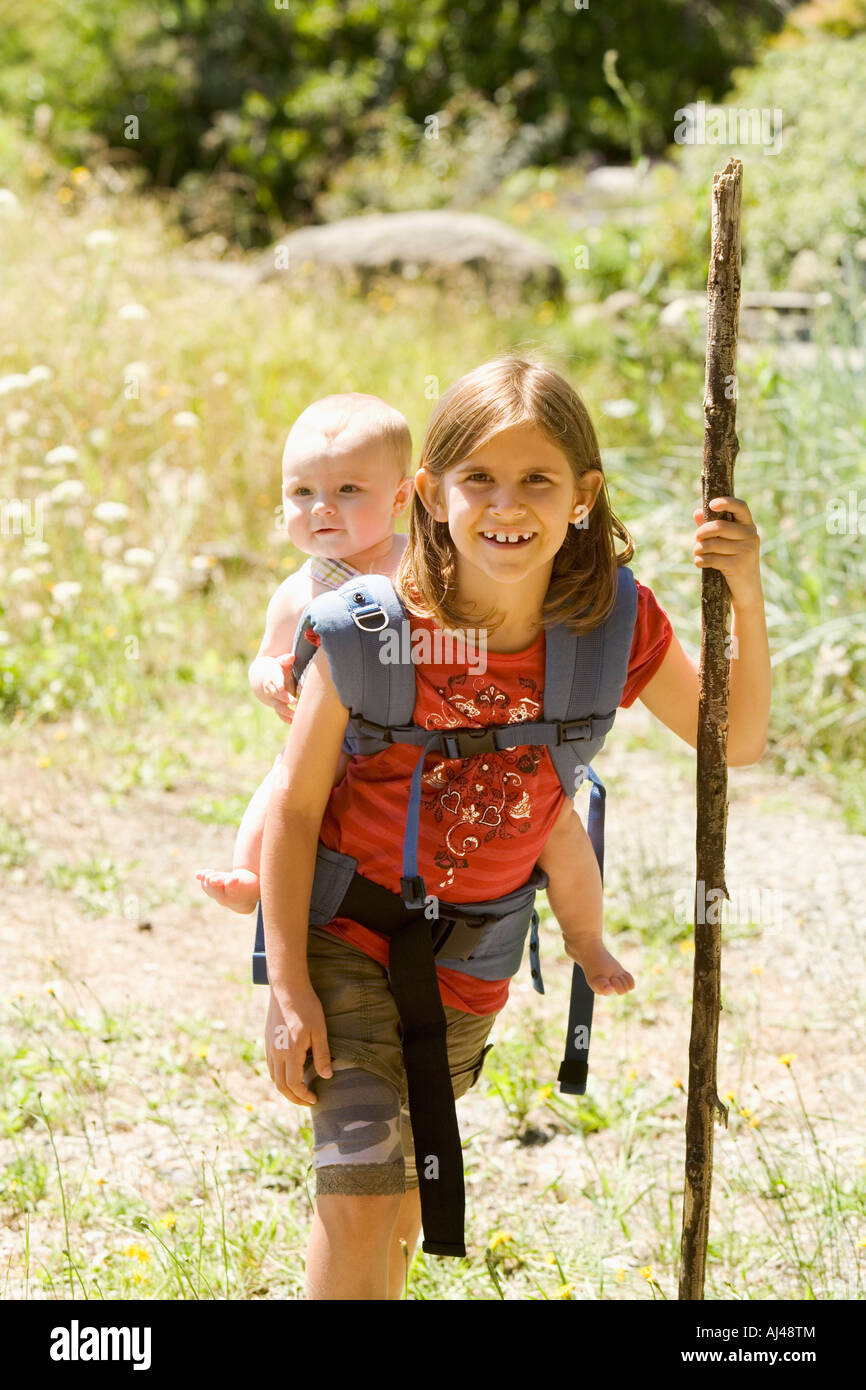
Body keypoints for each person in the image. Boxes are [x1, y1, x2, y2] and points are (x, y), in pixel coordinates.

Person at [259, 355, 771, 1301]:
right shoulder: (372, 631)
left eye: (537, 478)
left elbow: (732, 741)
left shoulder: (611, 623)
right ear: (429, 492)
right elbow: (293, 811)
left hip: (474, 957)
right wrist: (288, 986)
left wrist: (744, 592)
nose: (507, 503)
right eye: (479, 478)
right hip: (346, 936)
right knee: (361, 1189)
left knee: (406, 1193)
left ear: (583, 495)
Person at [196, 391, 414, 914]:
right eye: (302, 491)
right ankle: (251, 874)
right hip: (324, 741)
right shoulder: (299, 592)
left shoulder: (413, 565)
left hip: (408, 738)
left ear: (400, 499)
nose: (322, 507)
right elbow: (266, 656)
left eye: (347, 489)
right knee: (280, 795)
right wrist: (268, 676)